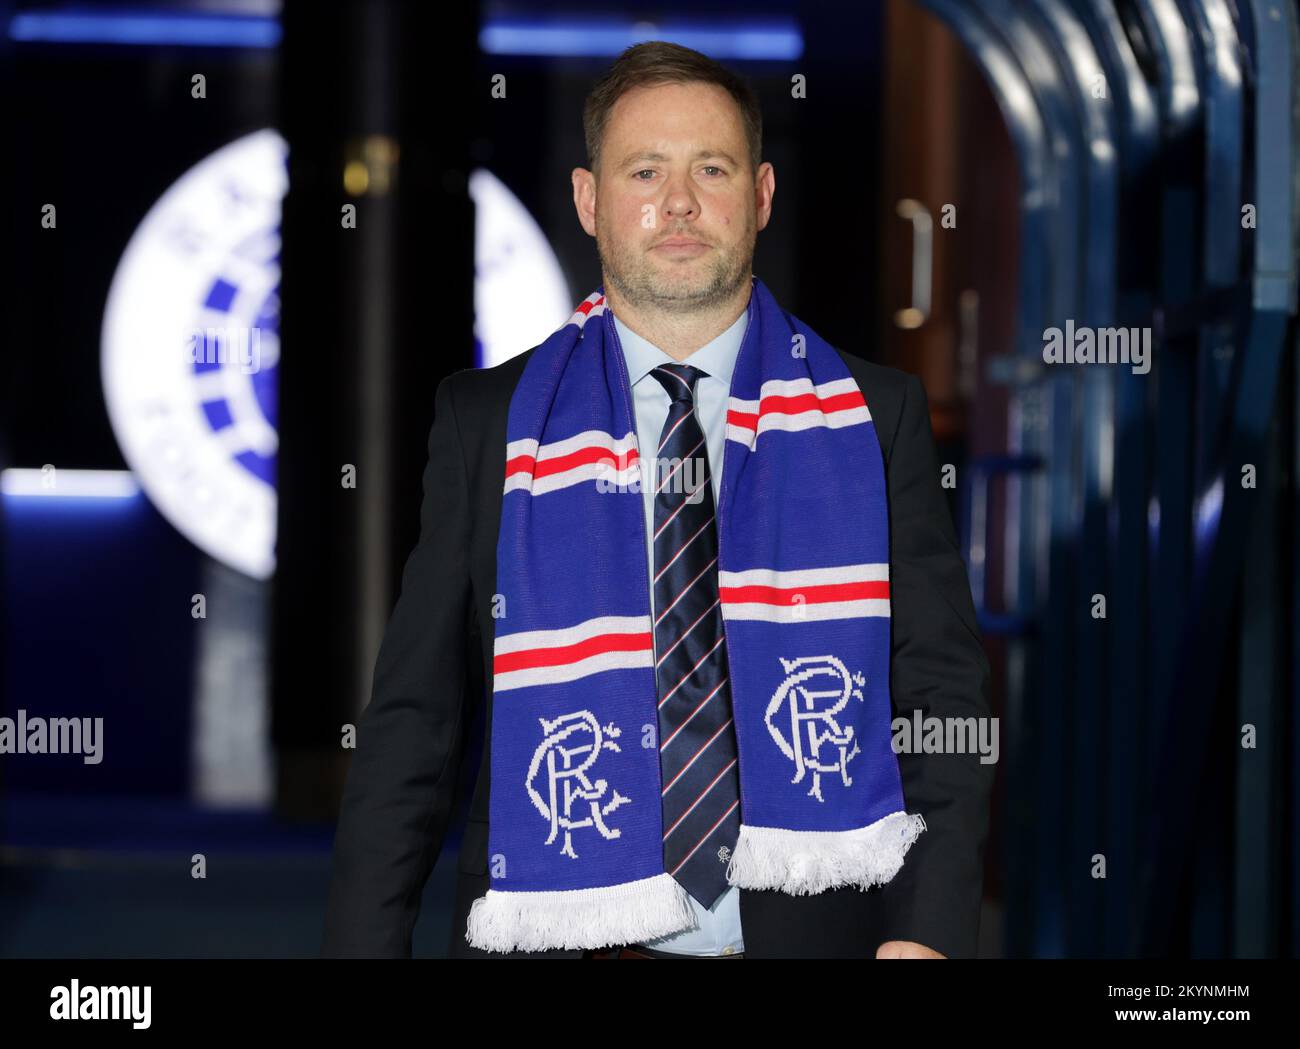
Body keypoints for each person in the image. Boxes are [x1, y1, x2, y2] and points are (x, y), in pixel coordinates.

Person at [322, 40, 993, 960]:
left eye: (709, 169)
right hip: (558, 936)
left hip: (815, 935)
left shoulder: (876, 416)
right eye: (645, 170)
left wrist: (929, 933)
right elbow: (414, 725)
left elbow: (940, 696)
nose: (678, 203)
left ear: (759, 196)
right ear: (590, 201)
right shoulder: (488, 424)